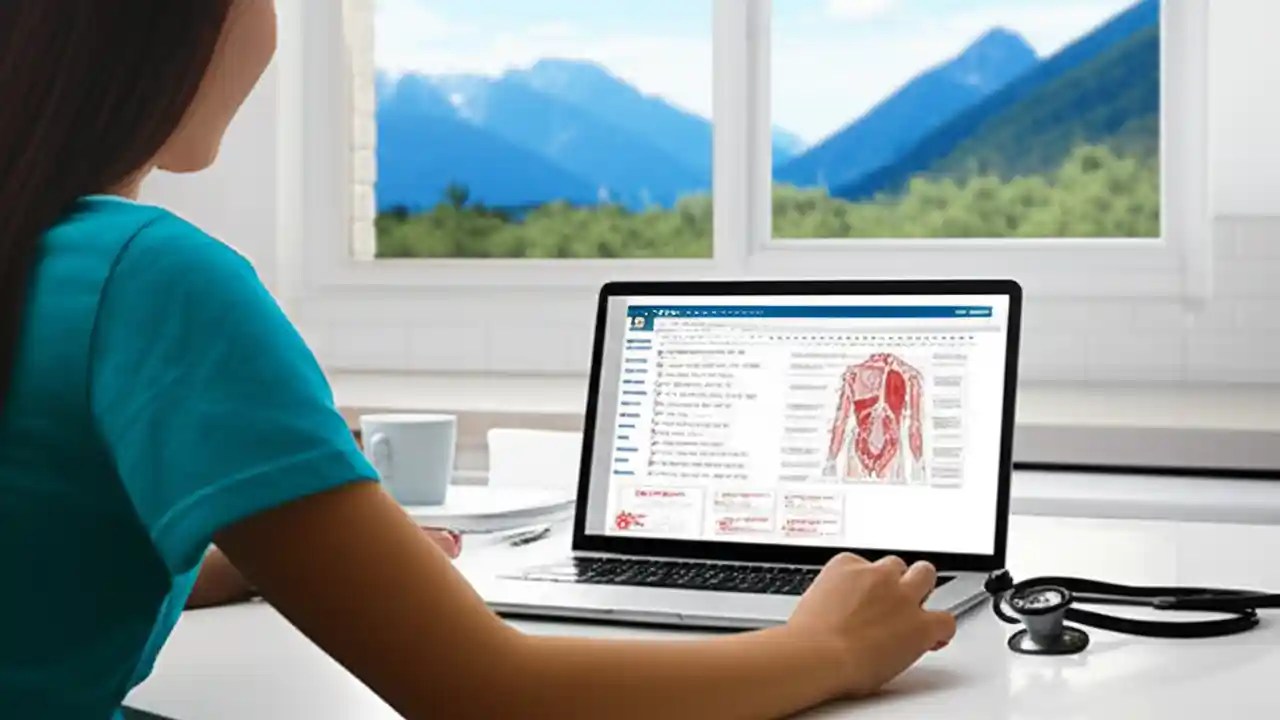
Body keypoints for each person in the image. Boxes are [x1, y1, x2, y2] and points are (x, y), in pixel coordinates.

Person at [0, 1, 956, 717]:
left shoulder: (44, 260)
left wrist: (269, 557)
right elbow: (489, 696)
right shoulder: (151, 280)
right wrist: (827, 647)